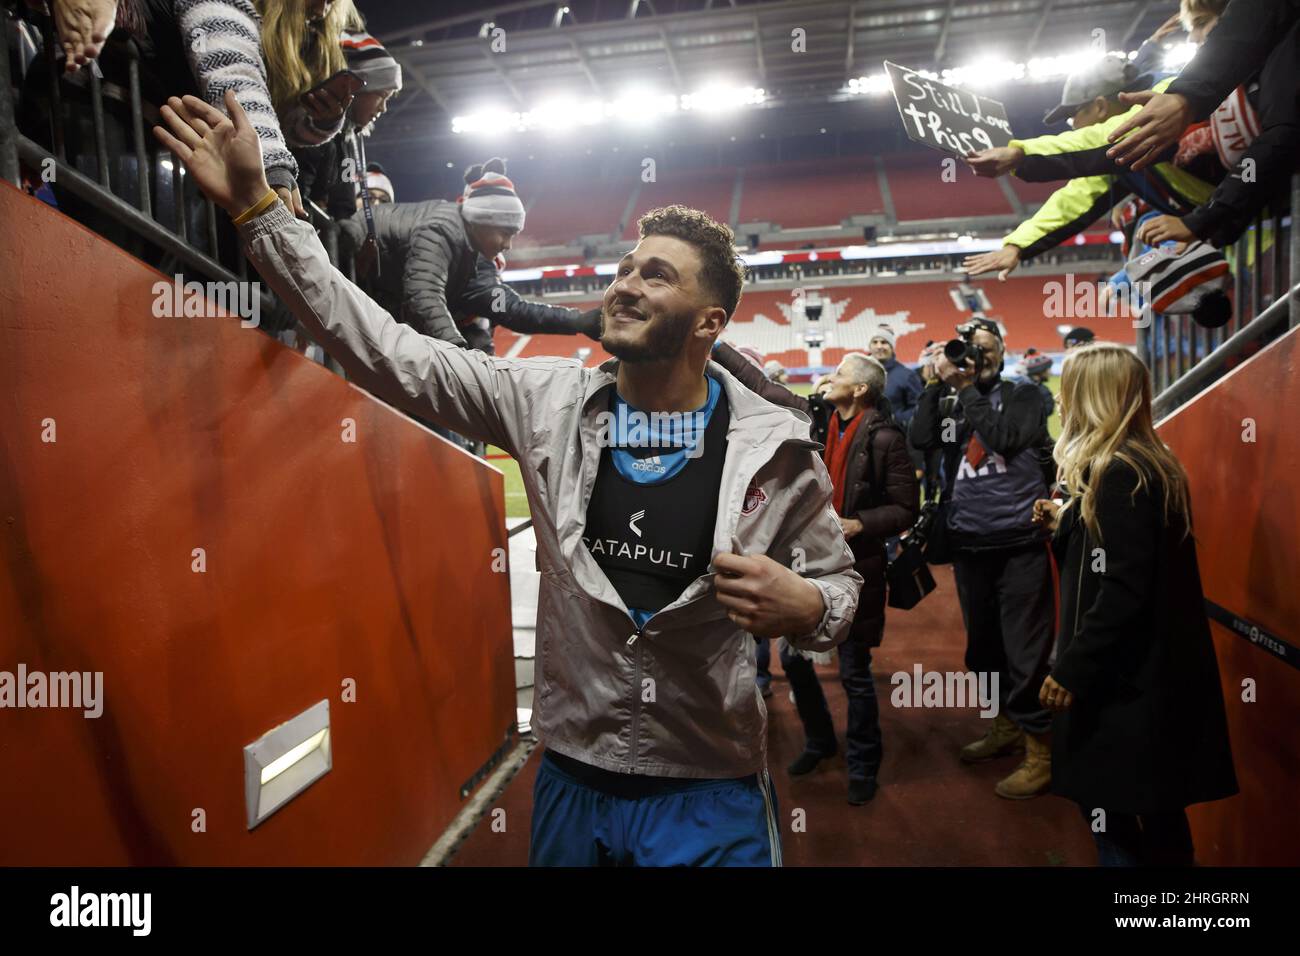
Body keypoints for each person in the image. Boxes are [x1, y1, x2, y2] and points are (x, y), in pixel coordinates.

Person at [153, 92, 864, 866]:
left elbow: (839, 587)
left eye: (656, 276)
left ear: (709, 321)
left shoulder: (775, 449)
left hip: (709, 784)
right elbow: (384, 347)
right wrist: (261, 212)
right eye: (624, 268)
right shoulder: (541, 401)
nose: (624, 284)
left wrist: (808, 605)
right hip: (570, 772)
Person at [1033, 343, 1237, 865]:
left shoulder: (1119, 473)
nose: (1060, 401)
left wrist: (1073, 669)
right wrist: (1066, 525)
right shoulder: (1144, 463)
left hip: (1125, 684)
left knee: (1113, 816)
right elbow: (1115, 564)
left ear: (1093, 398)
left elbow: (1123, 589)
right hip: (1147, 677)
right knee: (1161, 814)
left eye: (1069, 390)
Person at [713, 345, 918, 804]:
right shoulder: (814, 419)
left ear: (860, 389)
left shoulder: (886, 438)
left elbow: (907, 508)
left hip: (857, 567)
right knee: (796, 663)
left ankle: (864, 763)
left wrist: (860, 523)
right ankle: (820, 741)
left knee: (854, 674)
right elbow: (763, 385)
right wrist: (717, 345)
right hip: (798, 564)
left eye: (841, 371)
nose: (831, 374)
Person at [909, 317, 1057, 799]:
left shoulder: (1026, 396)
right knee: (983, 650)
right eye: (970, 350)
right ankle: (1005, 726)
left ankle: (1042, 750)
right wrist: (934, 385)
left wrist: (968, 389)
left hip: (1019, 541)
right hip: (970, 542)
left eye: (988, 349)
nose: (978, 357)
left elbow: (1006, 438)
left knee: (1026, 651)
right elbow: (923, 438)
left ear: (1004, 350)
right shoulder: (956, 397)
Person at [961, 55, 1216, 282]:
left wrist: (1021, 154)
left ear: (1100, 106)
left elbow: (1105, 138)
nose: (1073, 125)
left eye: (1073, 116)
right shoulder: (1119, 159)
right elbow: (1076, 199)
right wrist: (1016, 246)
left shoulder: (1168, 95)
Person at [335, 157, 601, 352]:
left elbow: (512, 309)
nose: (508, 245)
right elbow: (424, 294)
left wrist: (576, 320)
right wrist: (457, 350)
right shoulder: (444, 229)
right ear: (483, 221)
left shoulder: (473, 256)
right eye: (505, 233)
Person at [1106, 0, 1300, 172]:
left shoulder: (1282, 66)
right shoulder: (1229, 86)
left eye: (1201, 23)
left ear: (1235, 16)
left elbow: (1278, 142)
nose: (1192, 38)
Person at [867, 326, 924, 432]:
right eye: (875, 342)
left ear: (892, 347)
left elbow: (919, 408)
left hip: (895, 436)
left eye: (884, 342)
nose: (879, 346)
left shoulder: (907, 375)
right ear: (869, 347)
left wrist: (894, 419)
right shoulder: (860, 374)